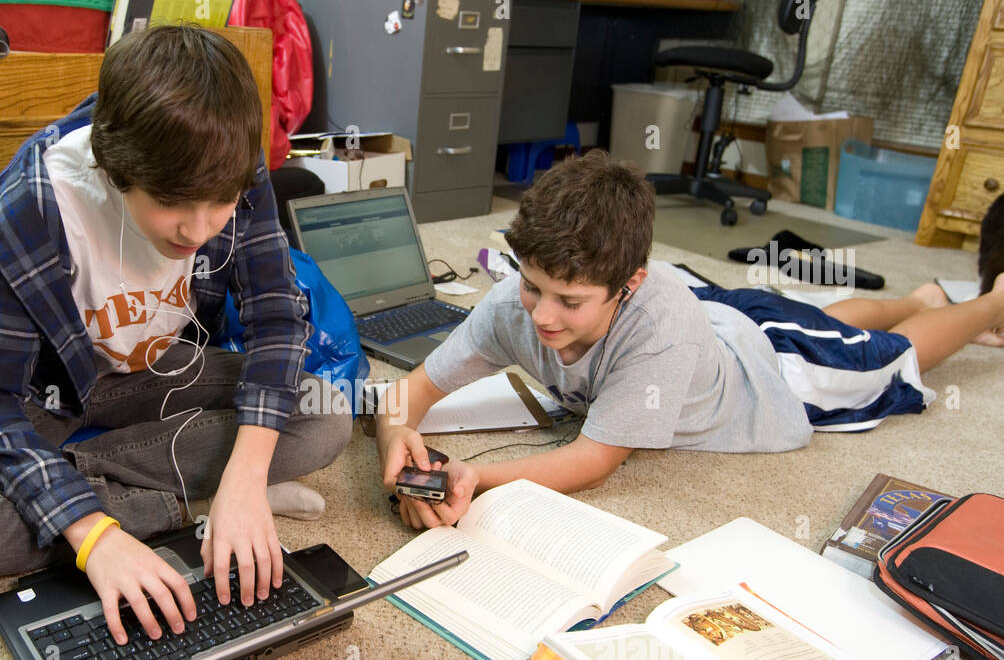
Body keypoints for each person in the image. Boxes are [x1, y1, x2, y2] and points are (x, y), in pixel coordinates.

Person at [0, 25, 350, 643]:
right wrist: (93, 537)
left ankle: (179, 491)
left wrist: (246, 479)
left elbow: (277, 319)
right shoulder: (32, 208)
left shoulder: (227, 158)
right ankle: (180, 506)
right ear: (117, 168)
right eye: (173, 203)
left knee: (324, 413)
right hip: (43, 391)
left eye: (220, 202)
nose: (199, 229)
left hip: (156, 374)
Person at [377, 150, 1004, 530]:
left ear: (629, 283)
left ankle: (992, 300)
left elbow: (593, 461)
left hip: (771, 368)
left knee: (886, 360)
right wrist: (397, 440)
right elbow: (411, 392)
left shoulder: (658, 331)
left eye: (571, 302)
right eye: (533, 287)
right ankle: (917, 298)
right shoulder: (508, 306)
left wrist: (474, 478)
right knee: (815, 312)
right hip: (716, 314)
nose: (542, 315)